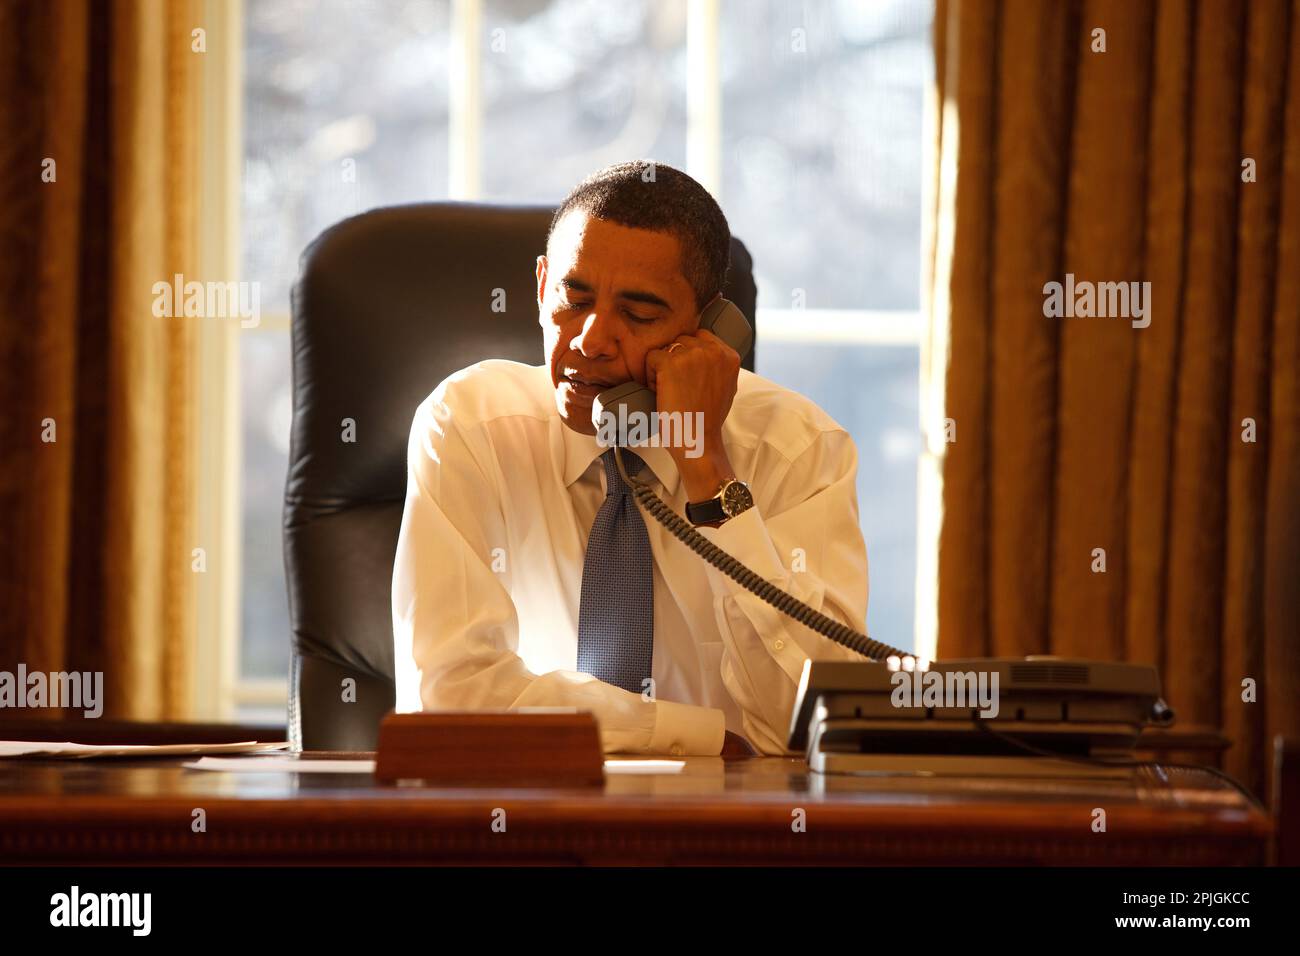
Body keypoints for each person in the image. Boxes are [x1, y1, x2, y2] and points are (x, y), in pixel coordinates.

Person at [392, 160, 868, 756]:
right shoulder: (469, 426)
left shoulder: (797, 450)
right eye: (573, 297)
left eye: (638, 315)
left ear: (708, 330)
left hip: (741, 835)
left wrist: (706, 467)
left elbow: (809, 721)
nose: (591, 339)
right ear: (541, 288)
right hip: (524, 824)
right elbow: (451, 695)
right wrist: (694, 738)